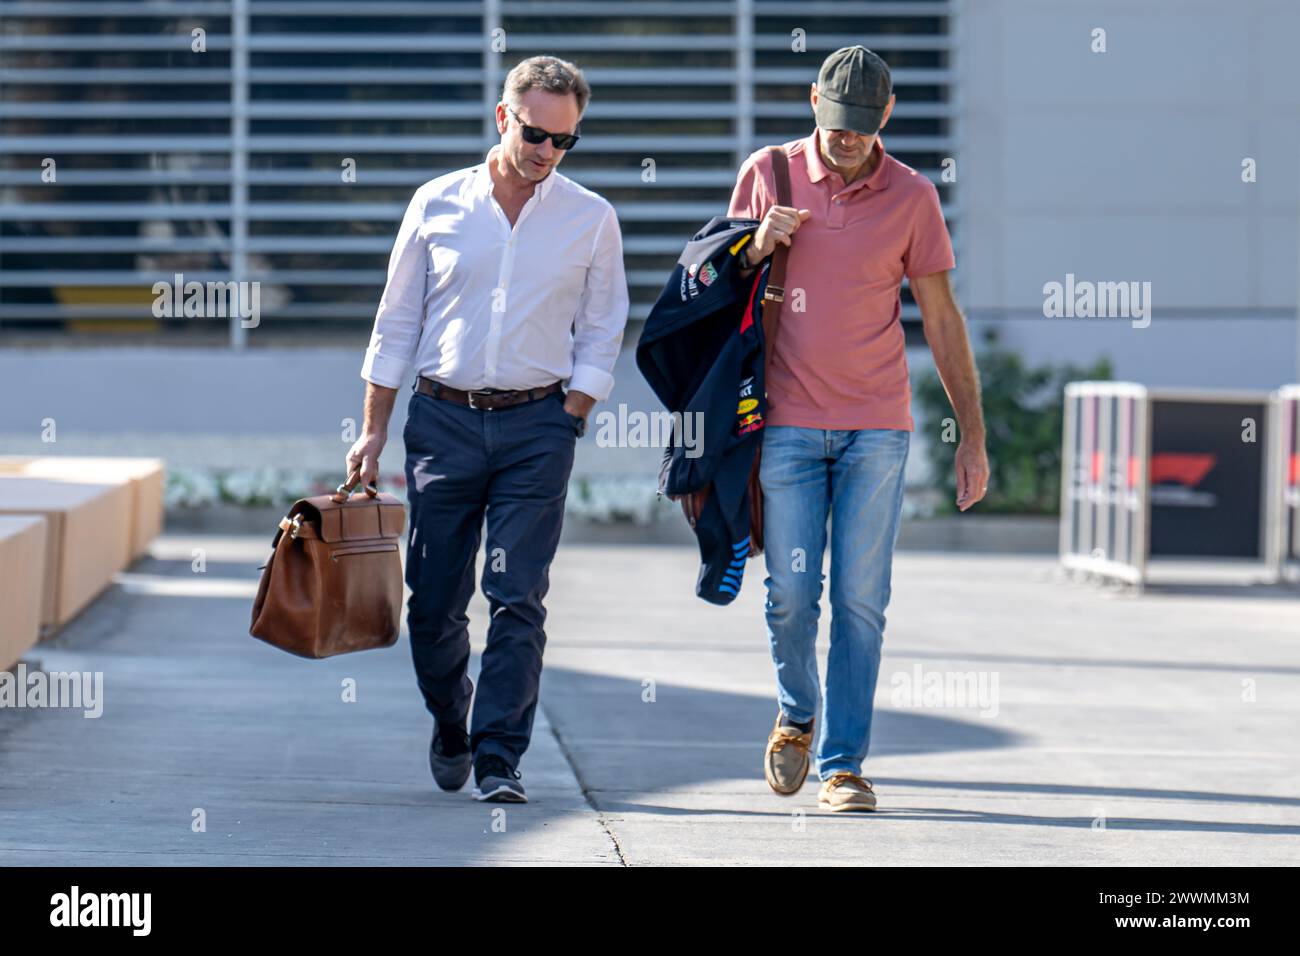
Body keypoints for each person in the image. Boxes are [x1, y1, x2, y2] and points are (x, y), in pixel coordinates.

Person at [347, 55, 628, 803]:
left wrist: (574, 412)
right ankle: (452, 721)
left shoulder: (591, 218)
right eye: (535, 134)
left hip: (538, 427)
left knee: (517, 594)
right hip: (443, 422)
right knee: (434, 602)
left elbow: (604, 326)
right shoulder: (436, 202)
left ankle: (500, 756)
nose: (547, 152)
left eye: (564, 141)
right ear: (504, 118)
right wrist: (373, 430)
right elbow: (395, 323)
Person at [728, 46, 989, 811]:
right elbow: (713, 287)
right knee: (790, 593)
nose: (846, 139)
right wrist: (756, 244)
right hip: (786, 423)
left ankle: (843, 764)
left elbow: (942, 318)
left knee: (861, 601)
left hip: (877, 428)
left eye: (863, 126)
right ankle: (796, 714)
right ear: (813, 101)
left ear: (888, 115)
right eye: (837, 122)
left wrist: (972, 437)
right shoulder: (769, 173)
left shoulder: (912, 196)